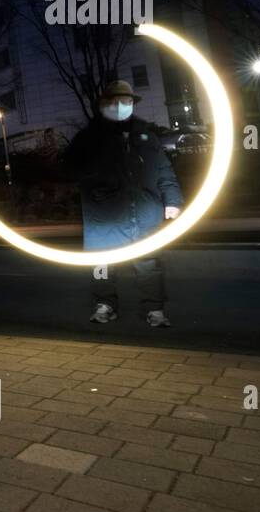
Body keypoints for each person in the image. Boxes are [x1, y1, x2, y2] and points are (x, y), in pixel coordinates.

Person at [64, 80, 184, 328]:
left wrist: (172, 200)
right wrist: (99, 178)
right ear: (104, 105)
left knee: (149, 263)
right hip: (105, 214)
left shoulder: (146, 136)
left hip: (144, 212)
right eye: (115, 102)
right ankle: (104, 304)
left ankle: (154, 309)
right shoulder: (88, 138)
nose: (120, 107)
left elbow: (164, 171)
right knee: (101, 264)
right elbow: (69, 170)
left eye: (126, 102)